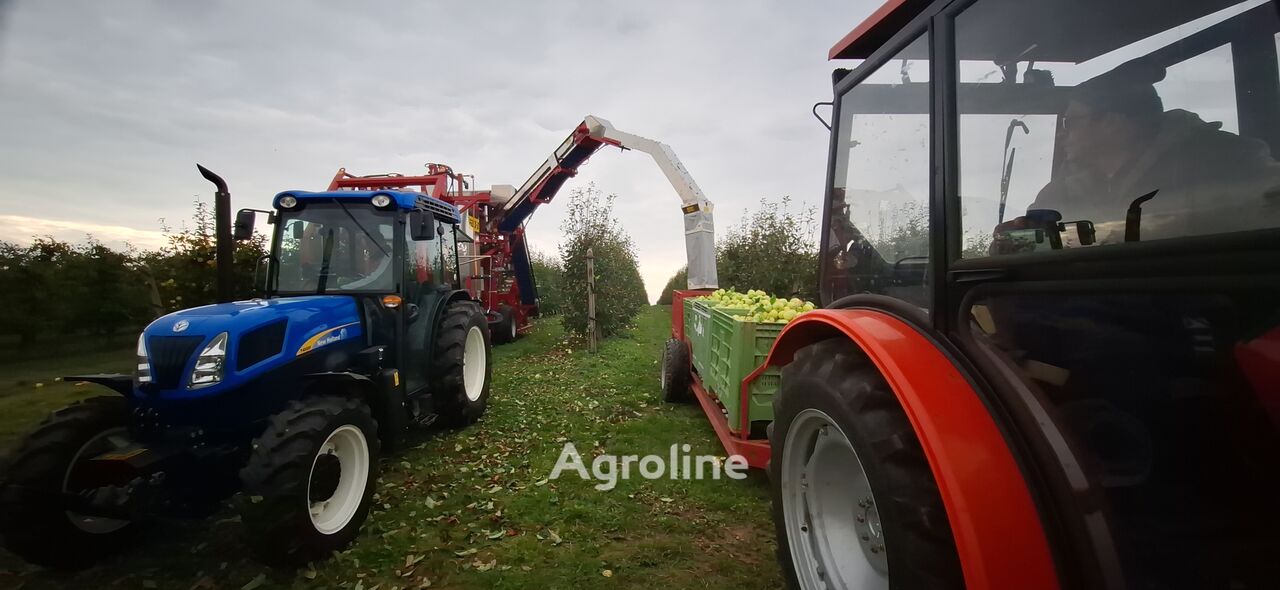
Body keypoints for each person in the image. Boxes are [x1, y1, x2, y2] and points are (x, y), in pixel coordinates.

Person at [996, 69, 1280, 250]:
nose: (1062, 134)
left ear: (1114, 122)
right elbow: (1022, 249)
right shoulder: (1063, 188)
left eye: (1071, 123)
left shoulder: (1226, 161)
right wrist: (1010, 239)